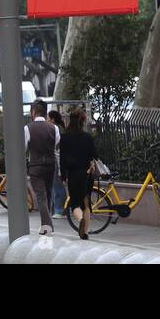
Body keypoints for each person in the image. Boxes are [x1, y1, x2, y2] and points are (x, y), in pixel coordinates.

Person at [58, 107, 99, 239]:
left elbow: (62, 159)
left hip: (73, 174)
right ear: (82, 121)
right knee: (86, 203)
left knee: (75, 204)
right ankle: (85, 232)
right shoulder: (87, 137)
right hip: (87, 174)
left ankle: (80, 219)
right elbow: (95, 155)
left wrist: (63, 176)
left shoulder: (64, 138)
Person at [24, 100, 59, 234]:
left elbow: (24, 148)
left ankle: (47, 226)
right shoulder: (53, 128)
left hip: (35, 166)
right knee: (48, 195)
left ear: (34, 112)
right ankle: (45, 224)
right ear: (45, 113)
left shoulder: (28, 128)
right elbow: (56, 144)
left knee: (41, 196)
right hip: (51, 165)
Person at [47, 109, 67, 216]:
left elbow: (56, 146)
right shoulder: (60, 128)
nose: (47, 120)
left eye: (48, 118)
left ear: (53, 119)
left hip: (58, 160)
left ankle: (59, 210)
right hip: (58, 159)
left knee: (57, 185)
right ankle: (57, 209)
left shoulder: (57, 129)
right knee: (56, 185)